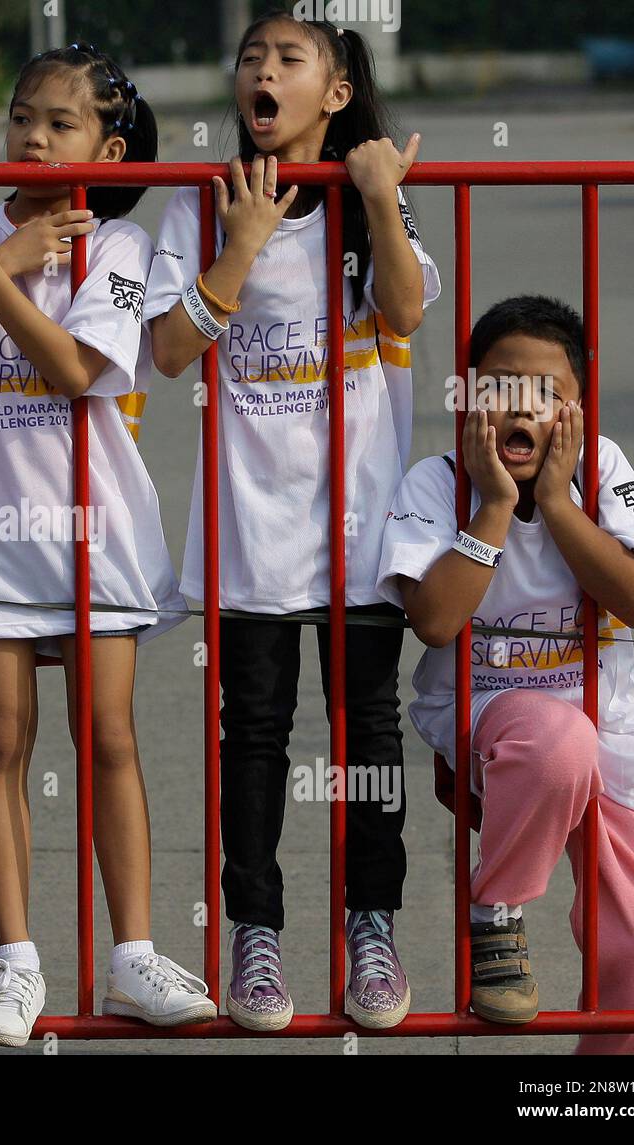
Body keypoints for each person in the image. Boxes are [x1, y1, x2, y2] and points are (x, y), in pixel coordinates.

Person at [0, 43, 211, 1047]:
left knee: (106, 736)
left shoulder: (113, 245)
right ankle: (15, 960)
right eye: (22, 115)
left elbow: (74, 368)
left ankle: (131, 955)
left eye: (59, 123)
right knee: (0, 740)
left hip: (92, 533)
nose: (30, 135)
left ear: (107, 152)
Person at [146, 9, 441, 1031]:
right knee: (255, 732)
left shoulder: (369, 200)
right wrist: (241, 247)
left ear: (337, 92)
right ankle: (256, 933)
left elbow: (403, 312)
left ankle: (372, 927)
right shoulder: (203, 205)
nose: (261, 73)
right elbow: (170, 352)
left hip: (361, 526)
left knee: (365, 729)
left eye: (289, 59)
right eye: (250, 58)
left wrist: (380, 200)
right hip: (250, 530)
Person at [377, 294, 634, 1053]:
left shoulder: (603, 468)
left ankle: (605, 1095)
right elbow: (436, 620)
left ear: (578, 412)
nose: (520, 407)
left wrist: (555, 501)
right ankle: (497, 912)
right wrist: (495, 505)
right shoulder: (438, 481)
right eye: (498, 386)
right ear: (467, 394)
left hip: (612, 728)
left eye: (546, 393)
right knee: (558, 741)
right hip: (500, 723)